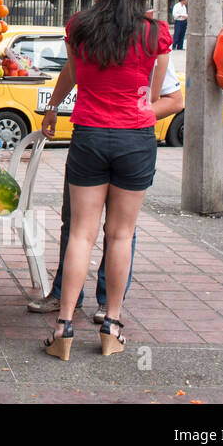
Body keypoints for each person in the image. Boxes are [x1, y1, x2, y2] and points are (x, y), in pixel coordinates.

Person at [40, 0, 170, 361]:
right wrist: (141, 113)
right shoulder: (155, 32)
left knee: (81, 233)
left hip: (90, 137)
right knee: (120, 234)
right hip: (135, 140)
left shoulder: (79, 27)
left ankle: (63, 328)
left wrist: (53, 106)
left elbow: (73, 71)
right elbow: (155, 93)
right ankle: (112, 326)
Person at [28, 61, 184, 320]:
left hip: (110, 138)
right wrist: (53, 107)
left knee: (110, 231)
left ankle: (93, 309)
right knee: (89, 228)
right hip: (103, 139)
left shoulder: (146, 41)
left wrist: (130, 118)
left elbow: (174, 100)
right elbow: (72, 71)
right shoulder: (94, 32)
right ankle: (84, 306)